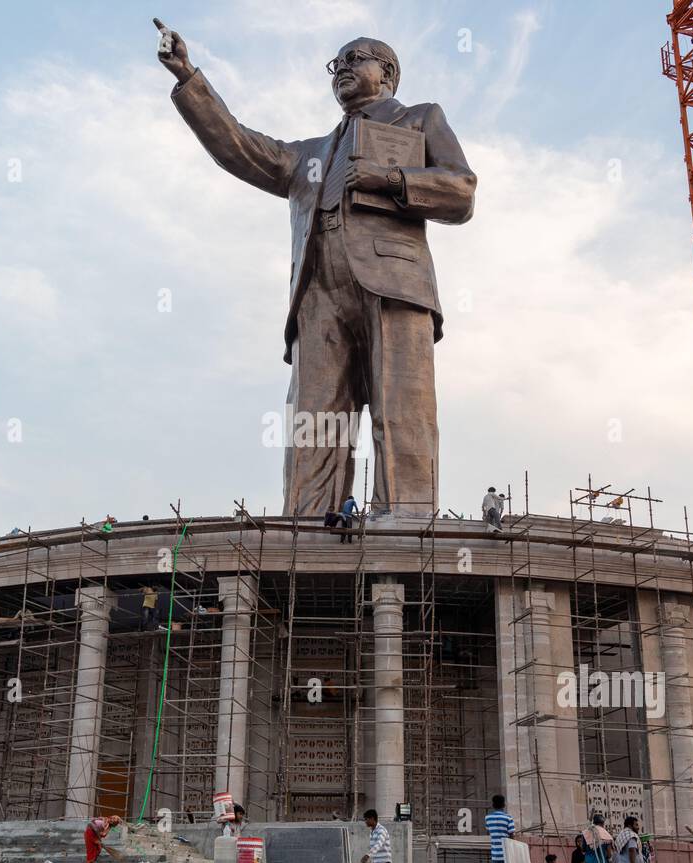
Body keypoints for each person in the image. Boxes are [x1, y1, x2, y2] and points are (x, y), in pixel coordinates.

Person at [156, 23, 476, 519]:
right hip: (318, 289)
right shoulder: (308, 155)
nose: (342, 70)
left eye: (355, 59)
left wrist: (390, 178)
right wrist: (188, 77)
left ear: (386, 72)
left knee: (401, 410)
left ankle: (406, 522)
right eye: (336, 65)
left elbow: (460, 191)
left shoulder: (419, 119)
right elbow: (237, 146)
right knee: (316, 421)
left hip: (393, 281)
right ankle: (308, 526)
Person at [484, 794, 517, 863]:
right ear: (504, 805)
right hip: (507, 854)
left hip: (495, 855)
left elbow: (488, 831)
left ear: (493, 805)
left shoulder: (488, 818)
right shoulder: (508, 818)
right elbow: (512, 836)